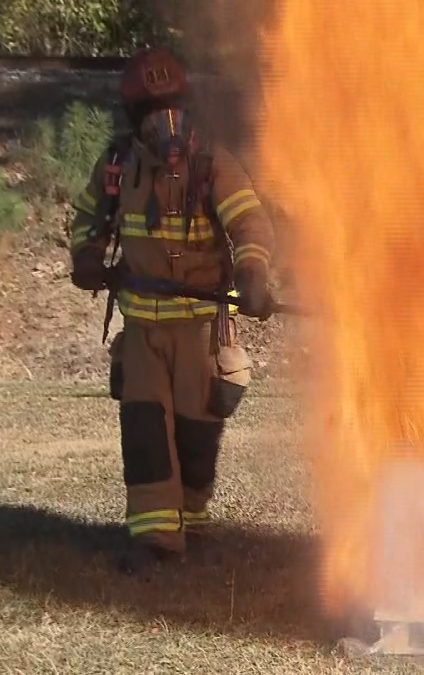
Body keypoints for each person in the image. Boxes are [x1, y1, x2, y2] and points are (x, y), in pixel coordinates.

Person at [67, 46, 277, 575]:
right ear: (134, 117)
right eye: (151, 111)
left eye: (173, 106)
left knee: (197, 430)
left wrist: (252, 275)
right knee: (144, 431)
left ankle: (191, 519)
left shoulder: (215, 166)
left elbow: (249, 224)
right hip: (143, 329)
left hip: (202, 327)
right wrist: (87, 256)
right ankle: (157, 540)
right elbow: (89, 216)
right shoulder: (118, 167)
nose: (166, 123)